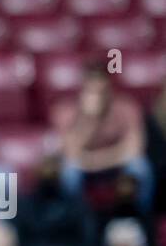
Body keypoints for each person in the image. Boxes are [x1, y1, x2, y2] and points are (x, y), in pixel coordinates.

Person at [52, 63, 154, 214]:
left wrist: (94, 161)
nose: (97, 96)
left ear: (110, 89)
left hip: (112, 166)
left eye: (102, 91)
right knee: (69, 171)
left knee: (140, 167)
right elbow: (71, 153)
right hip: (87, 166)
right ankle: (77, 220)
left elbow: (135, 149)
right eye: (92, 91)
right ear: (82, 90)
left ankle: (140, 220)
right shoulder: (65, 111)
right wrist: (89, 119)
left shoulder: (127, 107)